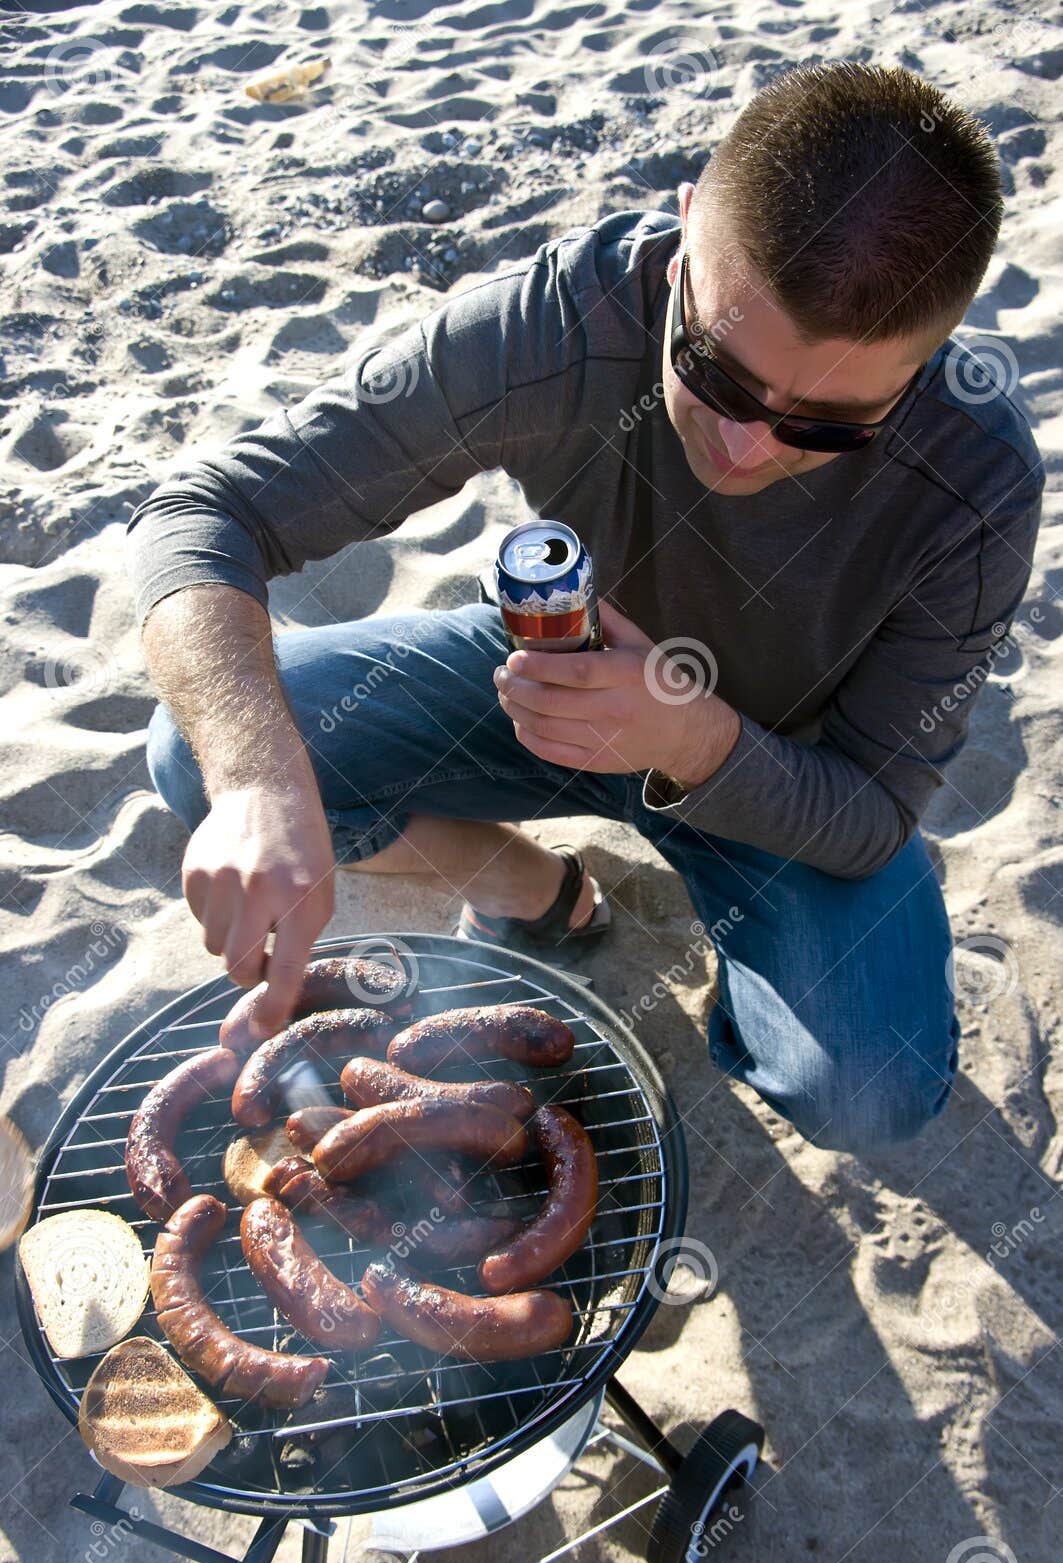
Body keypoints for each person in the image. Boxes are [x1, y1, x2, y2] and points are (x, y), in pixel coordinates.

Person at [128, 61, 1044, 1156]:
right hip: (548, 675)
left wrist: (692, 741)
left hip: (782, 765)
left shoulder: (975, 483)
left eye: (826, 424)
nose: (745, 446)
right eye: (715, 370)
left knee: (869, 1089)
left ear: (926, 362)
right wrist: (255, 781)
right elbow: (201, 511)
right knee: (198, 749)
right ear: (686, 230)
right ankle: (533, 888)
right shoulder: (563, 320)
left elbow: (873, 816)